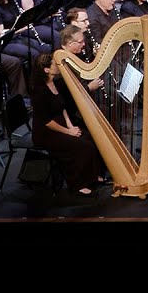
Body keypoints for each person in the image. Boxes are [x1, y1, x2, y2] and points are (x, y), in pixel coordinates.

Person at [30, 48, 102, 196]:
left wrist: (70, 125)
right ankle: (77, 184)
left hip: (61, 124)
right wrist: (69, 132)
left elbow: (62, 106)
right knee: (83, 146)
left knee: (88, 137)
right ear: (46, 70)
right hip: (46, 133)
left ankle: (92, 176)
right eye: (54, 65)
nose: (58, 65)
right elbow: (47, 122)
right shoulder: (39, 91)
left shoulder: (56, 83)